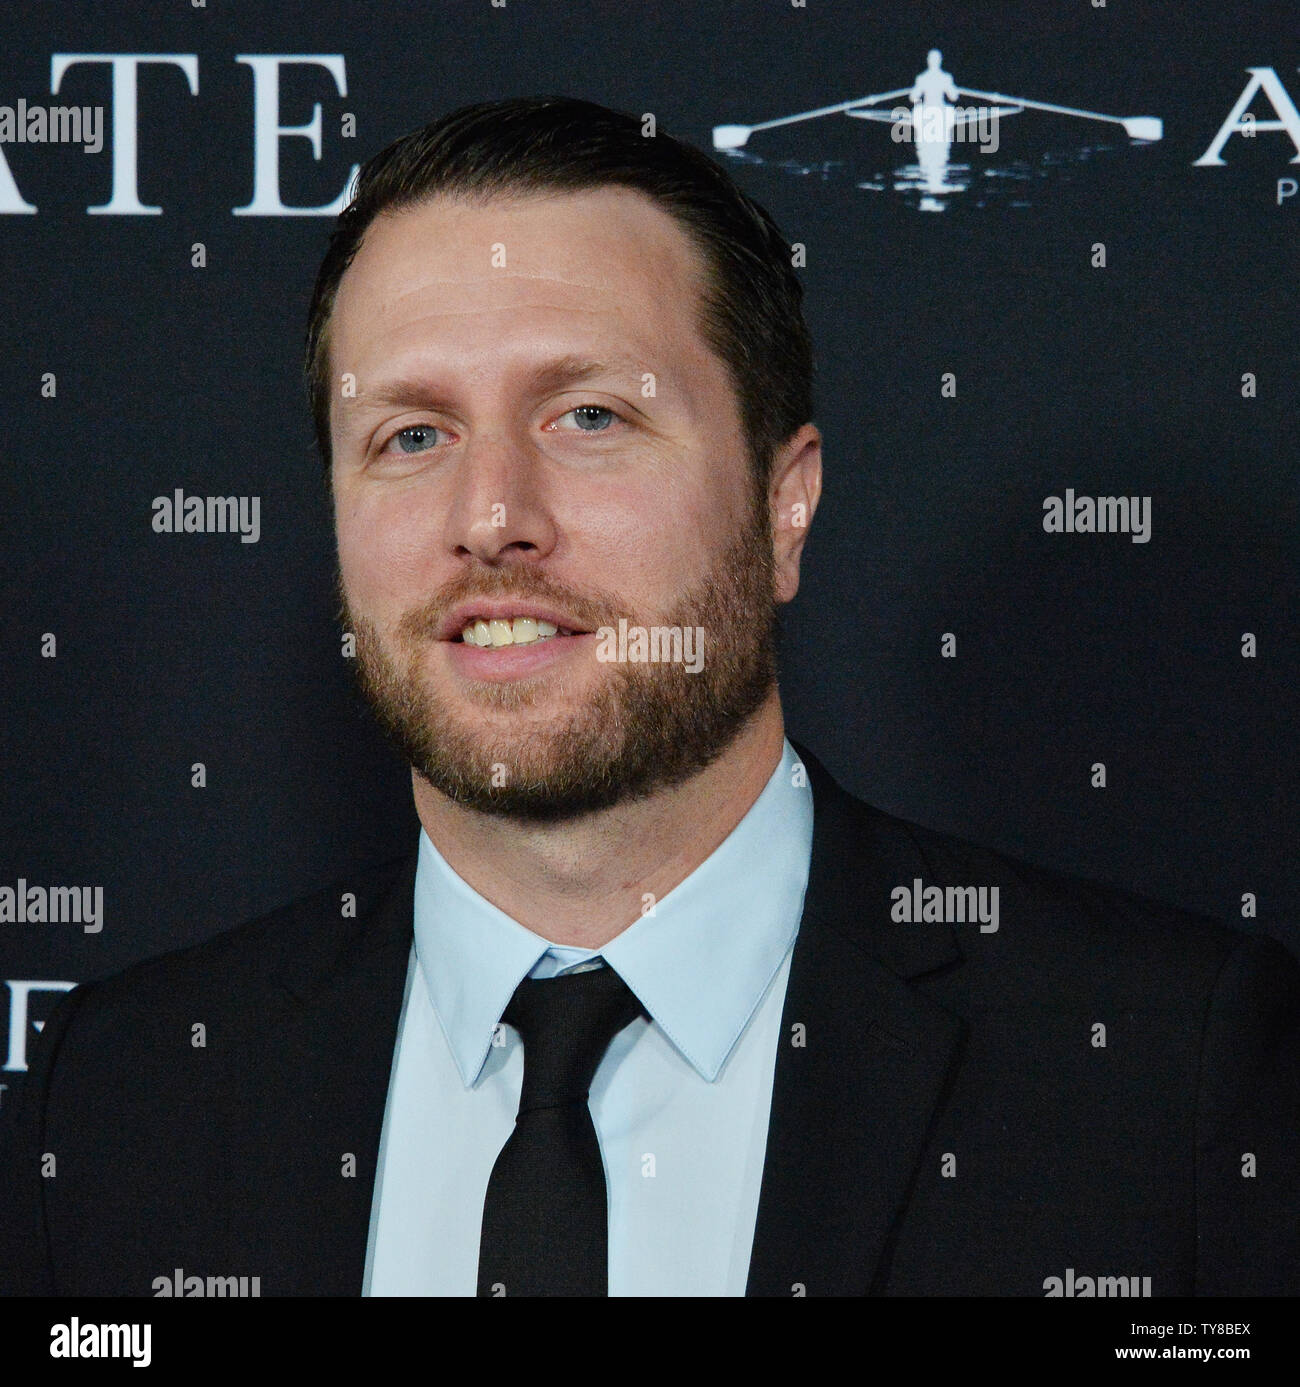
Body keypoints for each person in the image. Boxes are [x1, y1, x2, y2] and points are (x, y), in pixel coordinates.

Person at [2, 96, 1297, 1298]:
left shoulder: (1165, 1073)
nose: (493, 517)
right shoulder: (128, 1097)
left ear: (784, 505)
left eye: (590, 418)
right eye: (412, 435)